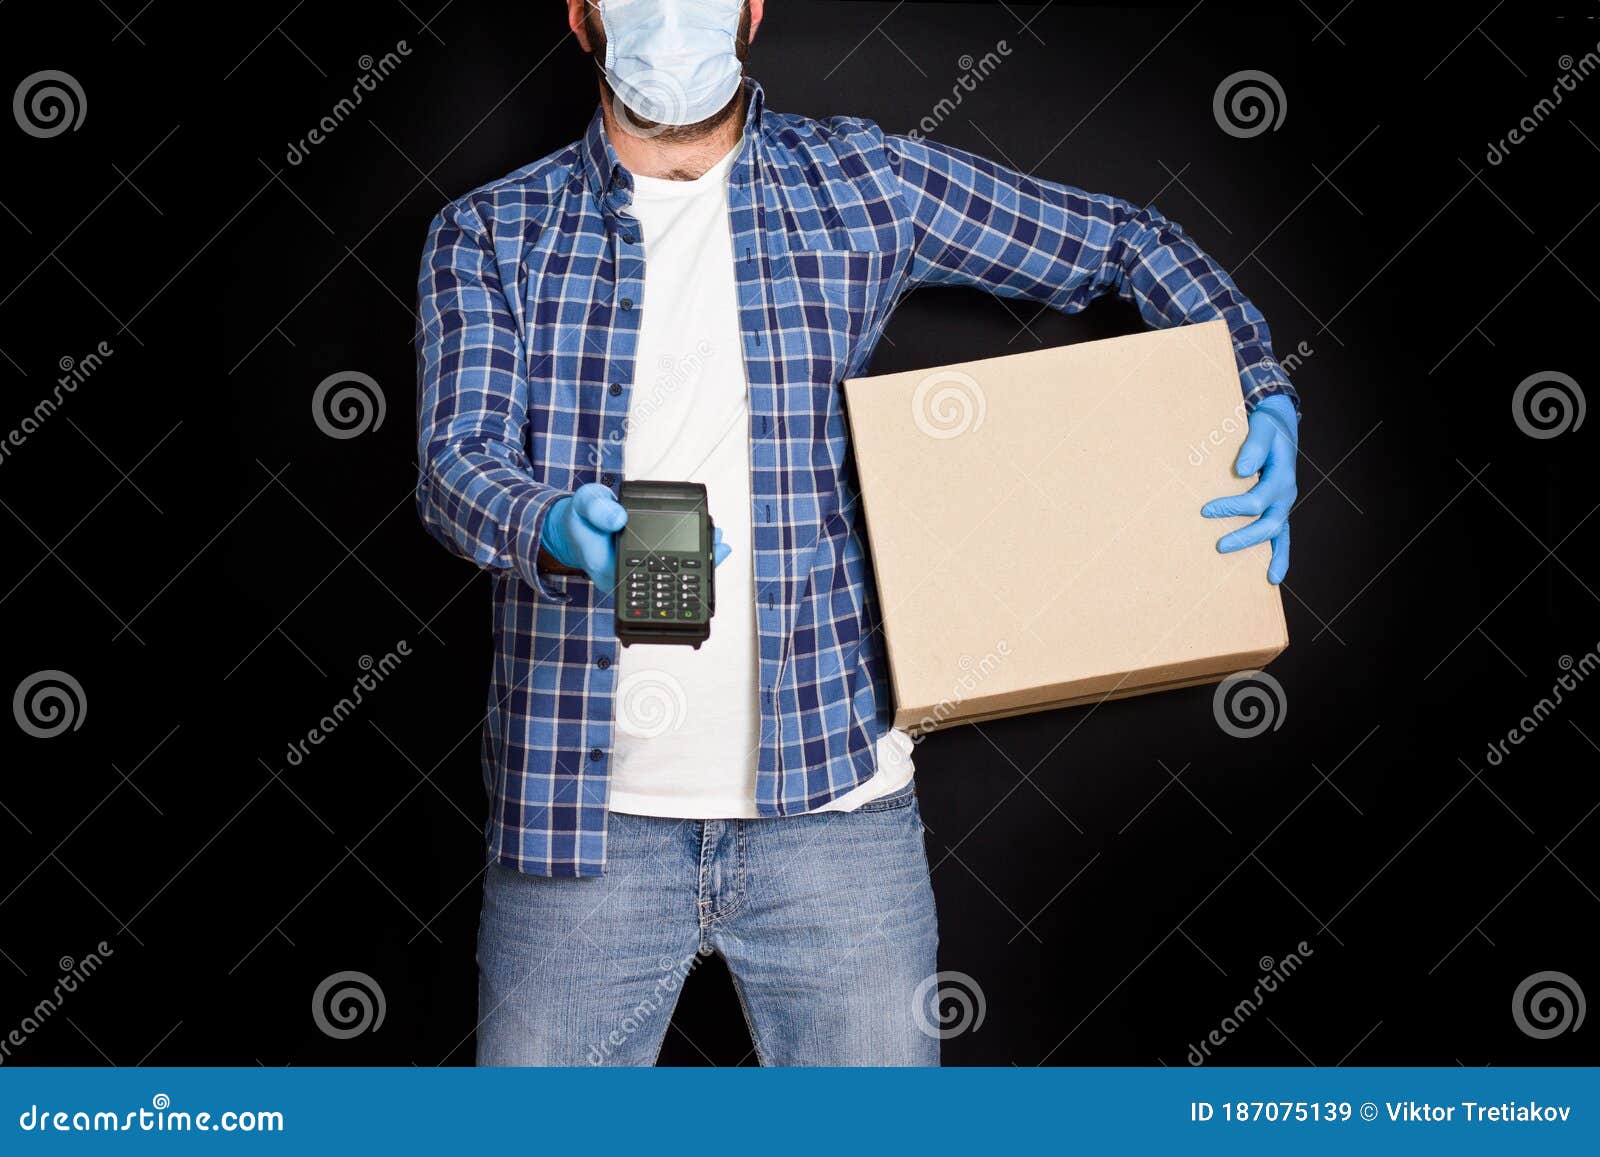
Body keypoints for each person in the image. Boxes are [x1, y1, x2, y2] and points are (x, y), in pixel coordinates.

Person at [414, 0, 1301, 1066]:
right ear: (579, 16)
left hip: (836, 812)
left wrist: (1252, 386)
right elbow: (455, 464)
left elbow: (1120, 240)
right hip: (577, 822)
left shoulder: (859, 183)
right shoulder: (488, 229)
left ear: (748, 9)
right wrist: (551, 525)